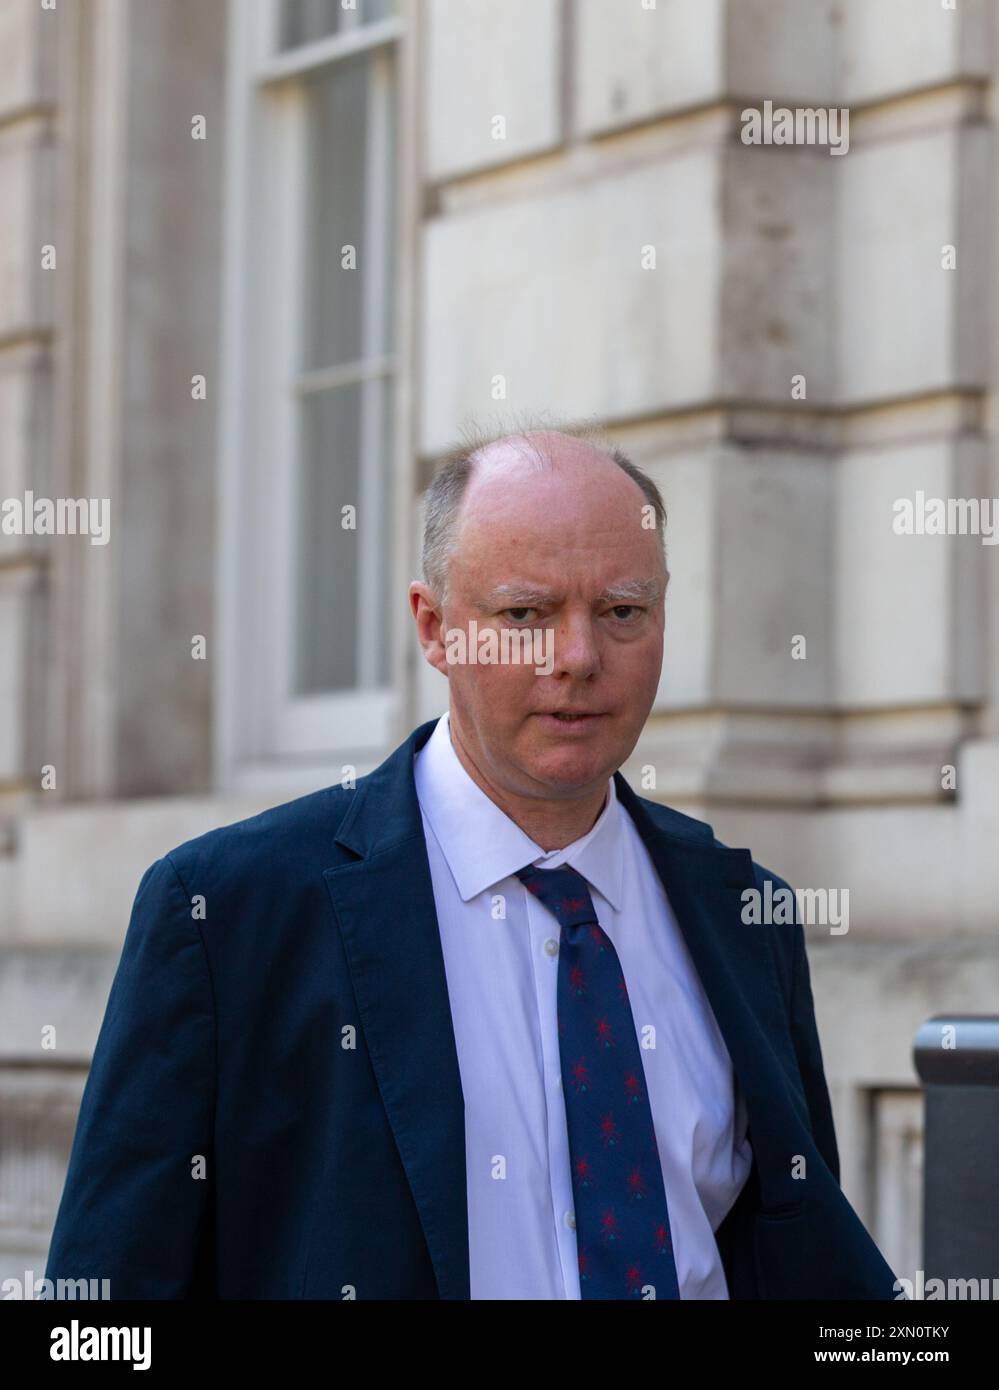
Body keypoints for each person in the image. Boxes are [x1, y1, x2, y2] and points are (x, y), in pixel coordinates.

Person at [44, 428, 898, 1299]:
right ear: (434, 627)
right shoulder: (227, 914)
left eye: (622, 611)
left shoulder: (743, 911)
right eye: (524, 616)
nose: (577, 658)